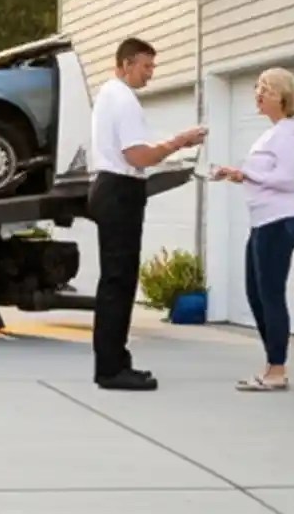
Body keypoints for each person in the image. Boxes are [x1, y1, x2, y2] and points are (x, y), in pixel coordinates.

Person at [88, 37, 207, 391]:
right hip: (119, 191)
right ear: (125, 63)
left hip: (112, 189)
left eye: (153, 68)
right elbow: (137, 156)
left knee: (117, 281)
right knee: (118, 283)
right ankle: (111, 369)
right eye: (145, 66)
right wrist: (179, 142)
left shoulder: (111, 95)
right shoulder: (122, 98)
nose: (150, 74)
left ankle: (115, 361)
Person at [212, 66, 294, 392]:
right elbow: (264, 175)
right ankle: (271, 365)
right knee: (255, 295)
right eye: (257, 88)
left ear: (281, 97)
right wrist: (237, 174)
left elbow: (288, 179)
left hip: (279, 223)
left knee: (270, 295)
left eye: (264, 90)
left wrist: (248, 175)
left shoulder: (289, 132)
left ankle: (277, 370)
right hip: (262, 223)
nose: (258, 95)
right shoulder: (271, 133)